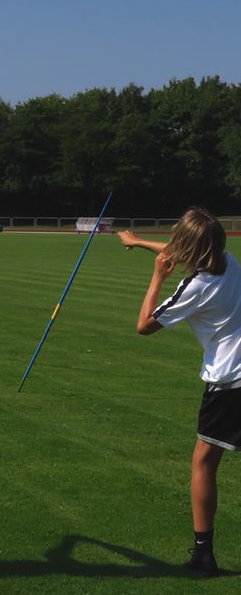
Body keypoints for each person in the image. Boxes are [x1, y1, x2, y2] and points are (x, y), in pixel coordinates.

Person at [121, 207, 241, 578]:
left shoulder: (197, 287)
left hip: (231, 381)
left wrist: (157, 276)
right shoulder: (229, 260)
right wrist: (139, 242)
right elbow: (187, 249)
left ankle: (204, 556)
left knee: (204, 462)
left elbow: (144, 326)